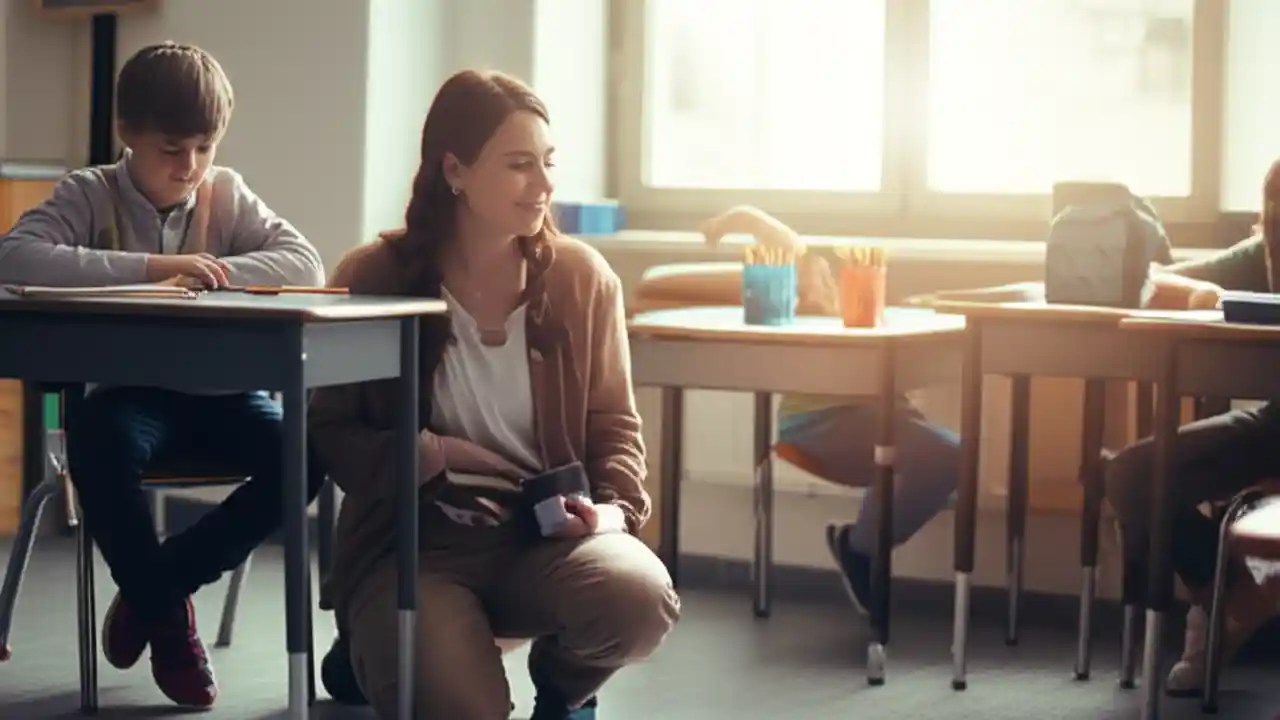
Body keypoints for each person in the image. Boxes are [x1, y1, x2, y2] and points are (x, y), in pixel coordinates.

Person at [309, 69, 679, 720]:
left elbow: (615, 425)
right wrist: (432, 453)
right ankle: (375, 648)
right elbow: (331, 432)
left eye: (548, 163)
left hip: (543, 540)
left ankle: (564, 692)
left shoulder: (581, 279)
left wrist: (612, 514)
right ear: (454, 169)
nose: (544, 185)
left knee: (638, 598)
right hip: (416, 549)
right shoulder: (373, 277)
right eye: (518, 165)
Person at [0, 42, 327, 707]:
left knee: (307, 452)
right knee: (99, 441)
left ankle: (157, 591)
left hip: (225, 396)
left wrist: (216, 269)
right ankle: (172, 630)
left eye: (204, 148)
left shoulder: (226, 193)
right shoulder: (90, 194)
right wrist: (154, 270)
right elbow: (16, 256)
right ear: (129, 135)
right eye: (173, 149)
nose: (190, 167)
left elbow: (306, 264)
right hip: (129, 397)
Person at [692, 205, 962, 615]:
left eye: (820, 277)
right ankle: (862, 549)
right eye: (806, 275)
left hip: (881, 418)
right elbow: (770, 230)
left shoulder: (856, 305)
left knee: (951, 457)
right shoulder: (794, 297)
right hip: (818, 423)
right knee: (945, 456)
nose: (812, 283)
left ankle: (860, 546)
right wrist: (724, 224)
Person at [1105, 163, 1280, 696]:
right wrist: (1204, 293)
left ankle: (1241, 608)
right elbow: (1158, 277)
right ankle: (1233, 597)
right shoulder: (1260, 254)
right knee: (1134, 474)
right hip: (1275, 423)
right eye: (1271, 208)